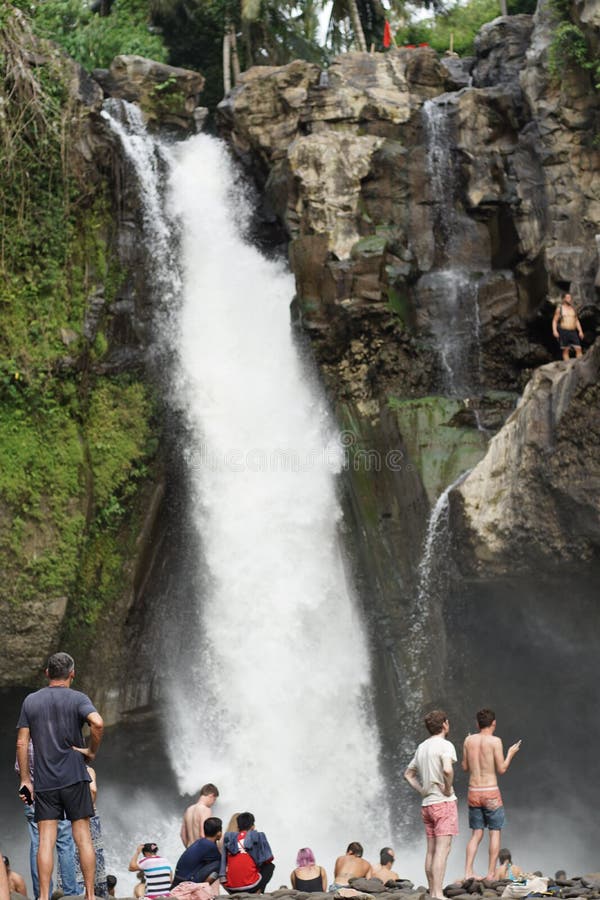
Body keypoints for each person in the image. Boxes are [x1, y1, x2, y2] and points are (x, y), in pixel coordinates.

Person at [16, 652, 104, 900]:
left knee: (45, 840)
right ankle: (89, 895)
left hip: (45, 780)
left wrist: (25, 780)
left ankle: (43, 897)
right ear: (72, 674)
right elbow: (97, 723)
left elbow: (22, 743)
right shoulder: (78, 699)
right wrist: (91, 751)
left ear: (47, 674)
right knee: (83, 837)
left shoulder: (31, 701)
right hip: (75, 776)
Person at [462, 708, 521, 880]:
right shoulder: (495, 741)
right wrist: (510, 754)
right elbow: (501, 769)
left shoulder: (468, 740)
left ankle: (468, 872)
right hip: (490, 792)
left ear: (477, 724)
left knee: (476, 834)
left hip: (473, 791)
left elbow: (465, 767)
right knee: (494, 832)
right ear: (493, 723)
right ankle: (490, 874)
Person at [404, 709, 458, 900]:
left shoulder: (422, 748)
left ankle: (431, 889)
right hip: (443, 803)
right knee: (442, 850)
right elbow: (447, 769)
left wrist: (422, 790)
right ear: (444, 724)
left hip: (427, 804)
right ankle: (437, 893)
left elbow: (408, 774)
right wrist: (448, 788)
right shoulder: (445, 745)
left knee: (431, 850)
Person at [16, 740, 79, 900]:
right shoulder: (60, 738)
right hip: (60, 795)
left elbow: (19, 768)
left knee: (38, 844)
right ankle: (71, 895)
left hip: (34, 796)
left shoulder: (27, 742)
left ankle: (42, 895)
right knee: (65, 844)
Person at [72, 768, 107, 897]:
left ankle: (74, 890)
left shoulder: (62, 767)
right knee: (91, 850)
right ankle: (92, 892)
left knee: (74, 851)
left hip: (70, 812)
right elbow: (93, 790)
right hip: (88, 812)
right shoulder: (88, 770)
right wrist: (89, 804)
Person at [219, 812, 274, 894]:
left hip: (231, 887)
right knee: (270, 866)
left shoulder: (228, 838)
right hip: (250, 886)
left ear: (238, 827)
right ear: (253, 826)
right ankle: (258, 892)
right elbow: (269, 858)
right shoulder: (258, 836)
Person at [172, 817, 223, 887]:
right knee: (220, 864)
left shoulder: (200, 841)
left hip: (178, 879)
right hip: (186, 881)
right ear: (219, 833)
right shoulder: (210, 846)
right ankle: (202, 889)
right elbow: (221, 860)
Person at [552, 293, 584, 360]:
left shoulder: (573, 309)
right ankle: (567, 366)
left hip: (573, 331)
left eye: (570, 298)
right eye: (568, 298)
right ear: (564, 299)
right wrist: (555, 331)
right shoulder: (560, 309)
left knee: (578, 349)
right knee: (565, 350)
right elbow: (554, 321)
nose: (570, 299)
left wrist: (580, 331)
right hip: (564, 331)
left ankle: (579, 365)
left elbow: (576, 321)